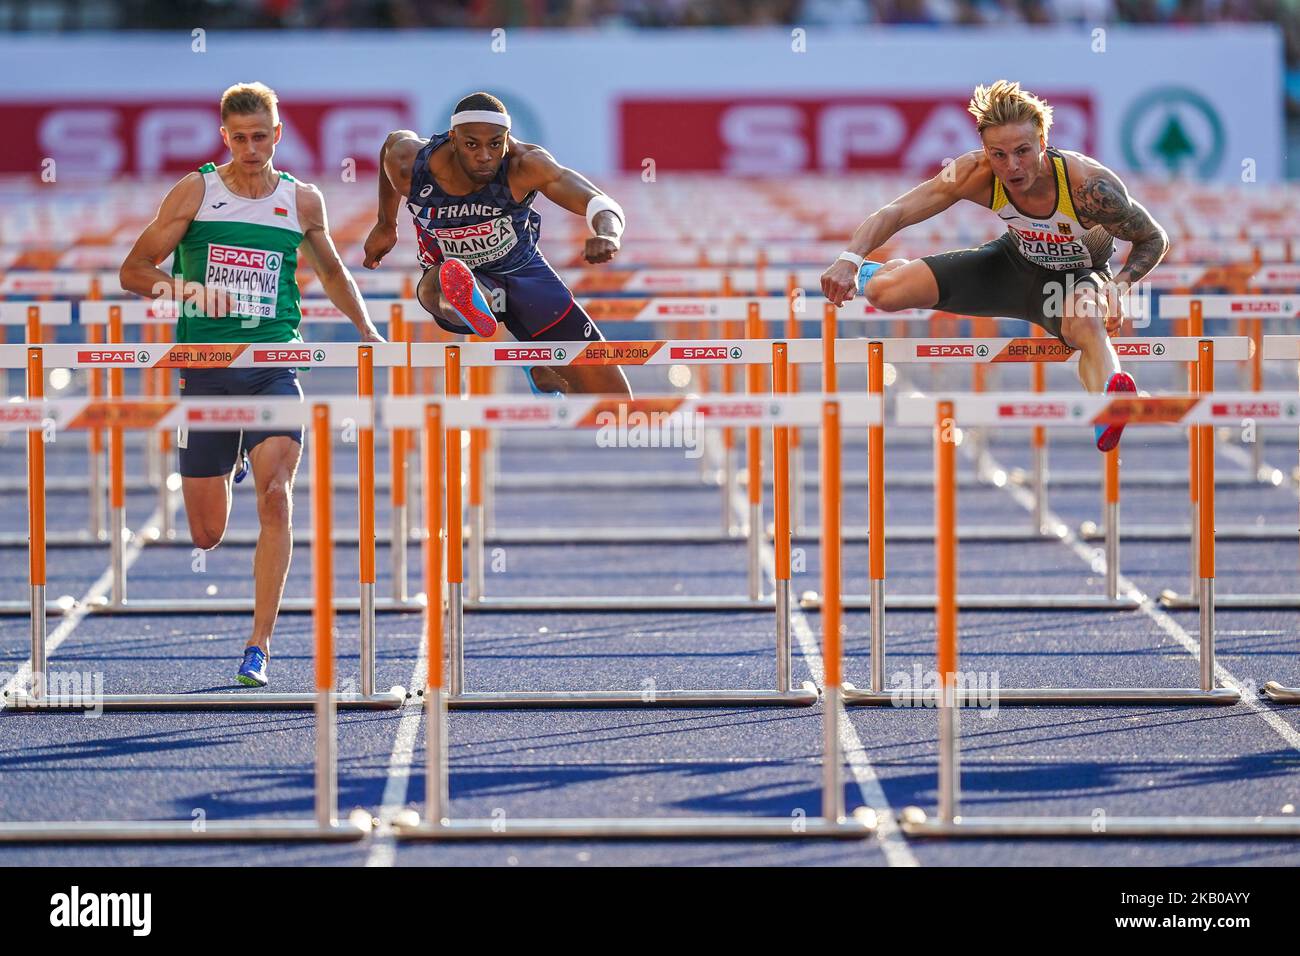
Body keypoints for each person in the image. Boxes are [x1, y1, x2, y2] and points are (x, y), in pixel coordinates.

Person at [119, 81, 384, 689]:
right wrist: (186, 290)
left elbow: (333, 269)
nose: (250, 147)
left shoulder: (301, 200)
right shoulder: (196, 190)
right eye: (238, 137)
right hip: (208, 370)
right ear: (225, 137)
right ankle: (233, 452)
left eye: (260, 136)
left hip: (273, 364)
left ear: (277, 135)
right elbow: (133, 270)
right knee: (206, 535)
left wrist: (367, 331)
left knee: (276, 497)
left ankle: (258, 644)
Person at [821, 79, 1171, 451]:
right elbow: (898, 211)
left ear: (1043, 142)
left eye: (1022, 151)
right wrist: (850, 259)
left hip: (1076, 277)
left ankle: (1110, 402)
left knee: (1087, 321)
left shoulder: (1089, 186)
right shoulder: (974, 171)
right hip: (1010, 267)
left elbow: (1154, 238)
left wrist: (1117, 288)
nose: (1012, 167)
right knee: (881, 294)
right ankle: (886, 271)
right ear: (985, 150)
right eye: (998, 155)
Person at [364, 91, 631, 397]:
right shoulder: (413, 164)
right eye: (471, 144)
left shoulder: (525, 165)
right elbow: (391, 143)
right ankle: (483, 306)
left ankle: (541, 367)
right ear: (453, 139)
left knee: (616, 400)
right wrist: (386, 223)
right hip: (446, 282)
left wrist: (609, 234)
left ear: (507, 139)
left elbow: (598, 201)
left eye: (495, 144)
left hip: (525, 275)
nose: (484, 156)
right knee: (448, 278)